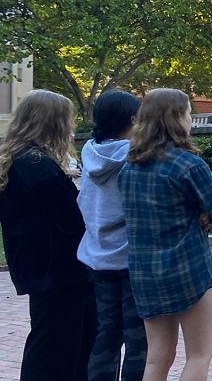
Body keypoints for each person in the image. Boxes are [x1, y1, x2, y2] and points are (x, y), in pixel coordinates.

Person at [120, 88, 212, 381]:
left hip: (145, 272)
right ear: (177, 117)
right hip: (188, 266)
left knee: (157, 357)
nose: (191, 118)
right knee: (199, 354)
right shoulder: (190, 165)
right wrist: (200, 213)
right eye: (188, 112)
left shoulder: (129, 168)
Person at [0, 89, 96, 381]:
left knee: (60, 340)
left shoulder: (22, 159)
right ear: (53, 121)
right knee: (56, 346)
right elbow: (70, 217)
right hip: (58, 270)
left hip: (42, 267)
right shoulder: (35, 164)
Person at [78, 89, 147, 381]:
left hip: (97, 258)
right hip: (132, 261)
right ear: (133, 118)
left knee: (106, 335)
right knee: (138, 342)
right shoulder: (138, 157)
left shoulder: (88, 153)